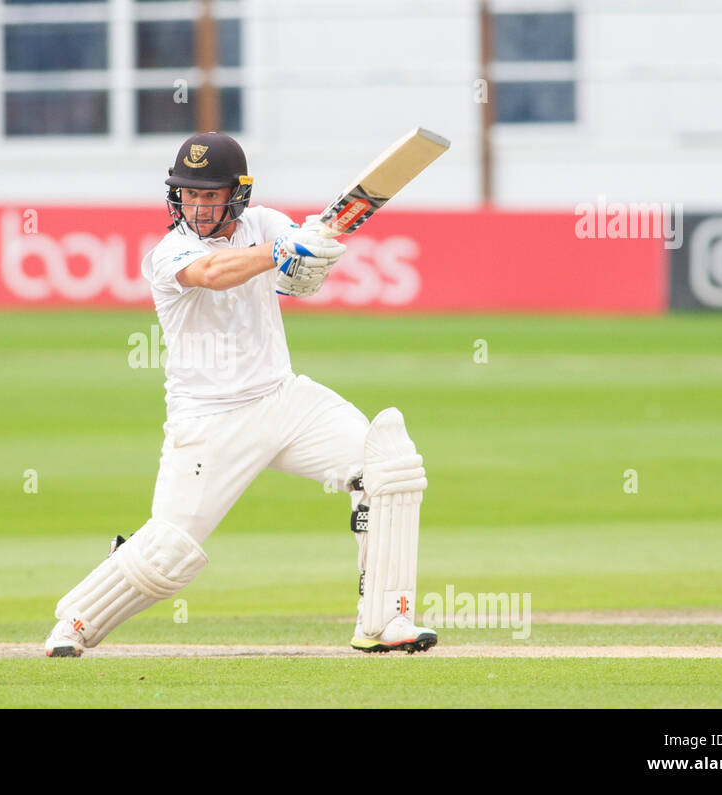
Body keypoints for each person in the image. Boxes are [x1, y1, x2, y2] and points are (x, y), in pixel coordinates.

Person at [43, 131, 436, 656]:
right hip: (209, 421)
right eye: (189, 194)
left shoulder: (265, 222)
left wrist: (310, 249)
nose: (198, 206)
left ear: (238, 193)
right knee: (167, 554)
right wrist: (279, 251)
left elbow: (300, 282)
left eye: (210, 195)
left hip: (284, 399)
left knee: (387, 467)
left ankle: (385, 621)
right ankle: (75, 620)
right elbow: (213, 273)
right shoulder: (170, 252)